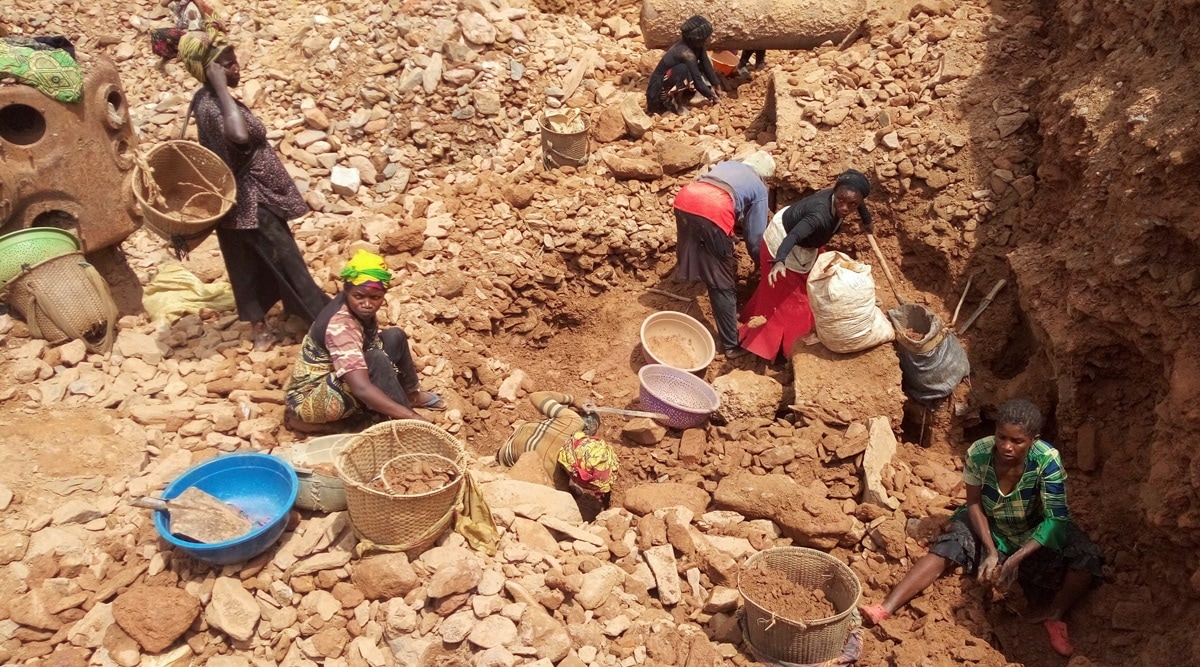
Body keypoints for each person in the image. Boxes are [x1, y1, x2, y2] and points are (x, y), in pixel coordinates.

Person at [859, 399, 1103, 657]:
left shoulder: (1047, 460)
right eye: (1001, 437)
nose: (1007, 446)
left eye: (1017, 441)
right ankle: (885, 608)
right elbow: (974, 503)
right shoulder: (979, 453)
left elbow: (1056, 519)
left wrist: (1017, 559)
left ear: (1034, 439)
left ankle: (1054, 615)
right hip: (989, 524)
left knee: (1085, 555)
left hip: (1034, 532)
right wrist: (991, 551)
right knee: (949, 546)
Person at [151, 1, 330, 351]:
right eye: (228, 63)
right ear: (212, 70)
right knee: (284, 257)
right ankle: (321, 320)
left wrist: (221, 88)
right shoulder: (212, 102)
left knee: (245, 261)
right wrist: (219, 86)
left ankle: (262, 328)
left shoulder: (211, 100)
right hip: (252, 199)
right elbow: (240, 136)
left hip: (242, 197)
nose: (237, 66)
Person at [284, 250, 447, 428]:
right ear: (346, 290)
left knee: (395, 336)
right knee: (375, 359)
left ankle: (409, 396)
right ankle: (404, 425)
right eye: (359, 296)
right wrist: (411, 417)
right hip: (308, 398)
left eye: (375, 297)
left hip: (339, 376)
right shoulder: (341, 326)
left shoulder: (356, 306)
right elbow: (361, 387)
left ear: (383, 294)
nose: (367, 304)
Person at [737, 169, 874, 361]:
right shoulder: (818, 217)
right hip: (784, 244)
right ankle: (783, 348)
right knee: (793, 300)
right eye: (841, 201)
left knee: (811, 282)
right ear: (835, 193)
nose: (845, 208)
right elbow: (793, 236)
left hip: (805, 244)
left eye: (852, 204)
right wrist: (779, 261)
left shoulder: (846, 196)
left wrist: (867, 220)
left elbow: (856, 201)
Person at [672, 151, 775, 359]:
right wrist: (762, 266)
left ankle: (690, 277)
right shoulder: (759, 187)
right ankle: (730, 344)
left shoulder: (729, 165)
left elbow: (710, 190)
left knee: (694, 240)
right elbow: (755, 239)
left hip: (684, 199)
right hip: (713, 210)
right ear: (764, 176)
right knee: (722, 283)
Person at [497, 392, 617, 503]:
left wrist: (573, 399)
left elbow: (536, 396)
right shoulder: (554, 478)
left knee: (590, 418)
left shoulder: (573, 421)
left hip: (525, 430)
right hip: (503, 455)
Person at [646, 15, 720, 115]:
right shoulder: (685, 53)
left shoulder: (696, 46)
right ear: (696, 39)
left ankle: (688, 96)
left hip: (667, 82)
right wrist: (713, 97)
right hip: (657, 93)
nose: (706, 41)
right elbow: (697, 80)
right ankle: (676, 104)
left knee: (694, 67)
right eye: (704, 39)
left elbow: (706, 64)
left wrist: (716, 85)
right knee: (682, 69)